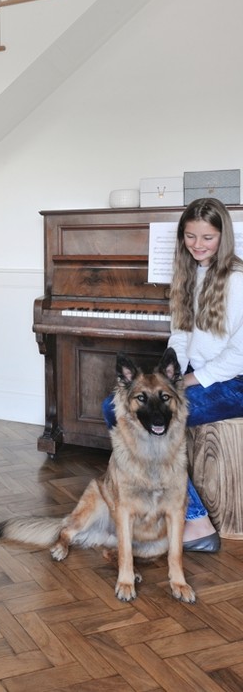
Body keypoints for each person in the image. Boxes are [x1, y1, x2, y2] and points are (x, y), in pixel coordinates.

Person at [103, 196, 243, 552]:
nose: (198, 245)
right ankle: (149, 504)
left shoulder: (238, 281)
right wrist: (172, 378)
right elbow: (180, 336)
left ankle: (195, 521)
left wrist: (186, 384)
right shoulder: (188, 273)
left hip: (234, 381)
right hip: (196, 373)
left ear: (223, 237)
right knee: (115, 408)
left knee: (165, 418)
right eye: (191, 236)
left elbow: (237, 356)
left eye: (208, 238)